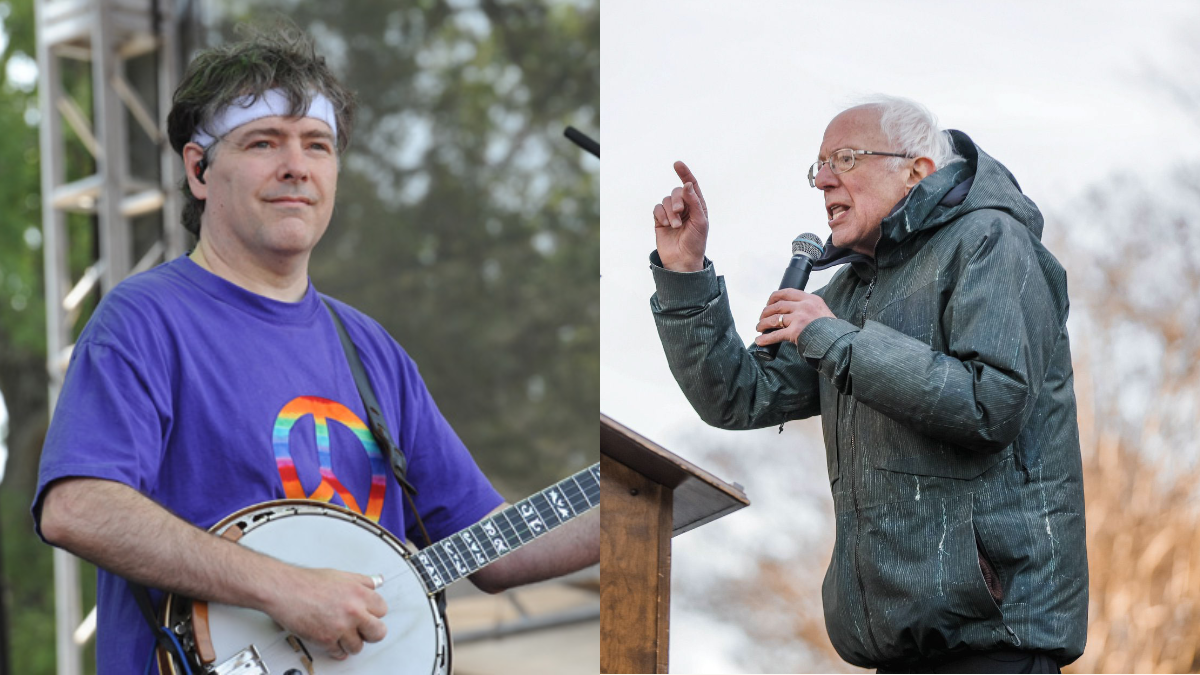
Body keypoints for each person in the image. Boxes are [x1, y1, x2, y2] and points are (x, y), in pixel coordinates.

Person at [33, 28, 597, 673]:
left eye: (317, 145)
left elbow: (497, 549)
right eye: (263, 142)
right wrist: (284, 587)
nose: (296, 165)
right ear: (198, 169)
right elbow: (78, 506)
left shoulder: (371, 350)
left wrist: (641, 499)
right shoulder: (145, 319)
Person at [649, 96, 1087, 673]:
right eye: (819, 166)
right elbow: (740, 395)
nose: (824, 180)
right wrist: (685, 274)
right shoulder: (853, 289)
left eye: (846, 159)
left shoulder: (991, 240)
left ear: (918, 170)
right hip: (895, 651)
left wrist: (833, 338)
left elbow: (991, 404)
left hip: (993, 643)